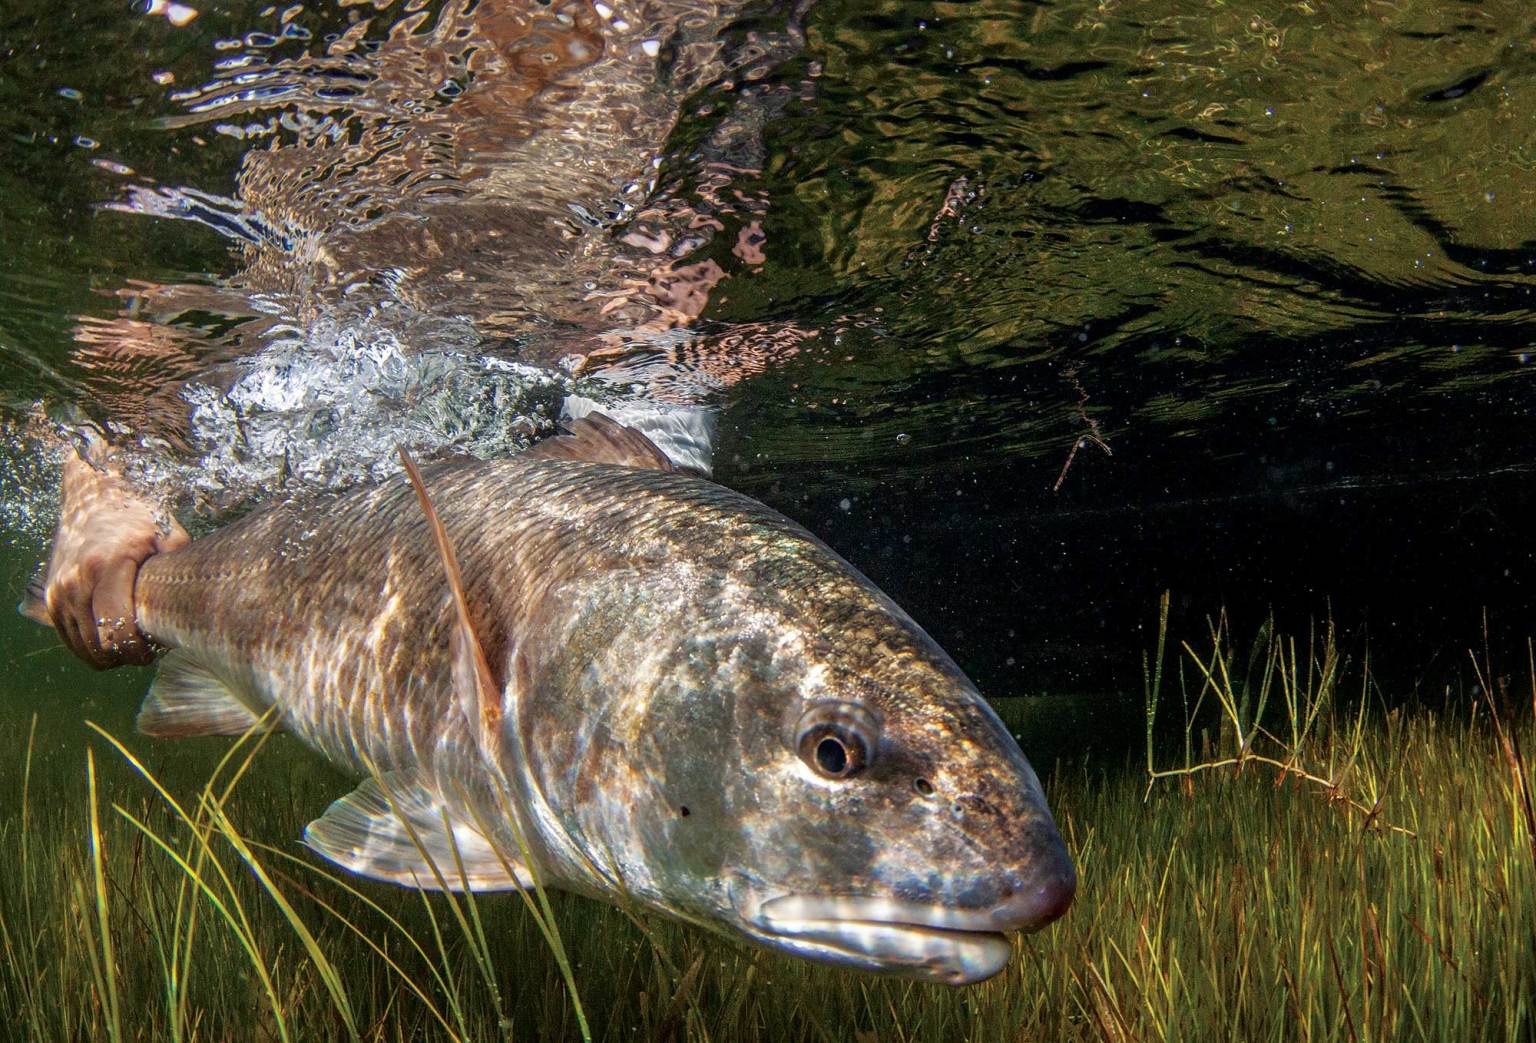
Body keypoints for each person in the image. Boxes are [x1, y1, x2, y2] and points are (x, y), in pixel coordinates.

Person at [34, 0, 814, 668]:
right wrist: (101, 497)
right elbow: (129, 353)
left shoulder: (677, 232)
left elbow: (649, 476)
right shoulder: (252, 136)